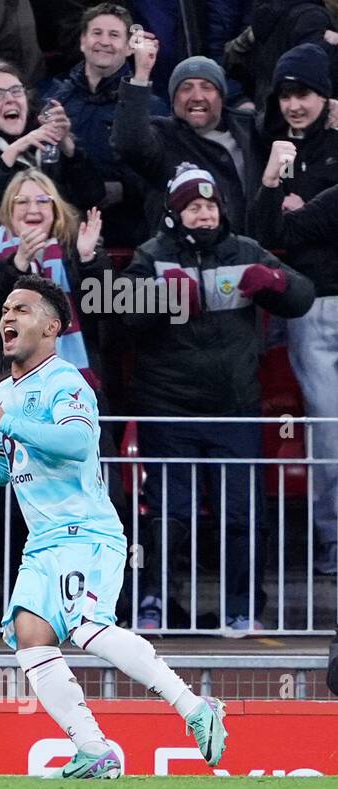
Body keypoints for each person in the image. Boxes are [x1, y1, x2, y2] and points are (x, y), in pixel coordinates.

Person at [0, 273, 230, 778]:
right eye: (5, 309)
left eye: (22, 309)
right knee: (31, 636)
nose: (8, 317)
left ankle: (195, 708)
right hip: (43, 543)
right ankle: (95, 752)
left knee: (90, 629)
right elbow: (2, 469)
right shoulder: (4, 390)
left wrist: (2, 418)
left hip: (87, 535)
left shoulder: (67, 382)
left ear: (51, 327)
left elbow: (76, 445)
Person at [121, 165, 315, 633]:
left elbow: (303, 294)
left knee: (242, 515)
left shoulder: (245, 250)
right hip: (168, 410)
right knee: (169, 515)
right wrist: (157, 298)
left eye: (209, 206)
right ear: (175, 213)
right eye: (193, 207)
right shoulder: (151, 255)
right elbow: (114, 309)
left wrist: (277, 282)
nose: (204, 215)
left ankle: (243, 608)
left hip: (235, 409)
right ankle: (154, 601)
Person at [247, 44, 338, 576]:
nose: (294, 103)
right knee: (327, 428)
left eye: (303, 92)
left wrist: (307, 212)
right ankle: (331, 538)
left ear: (326, 97)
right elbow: (265, 232)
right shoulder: (274, 150)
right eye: (286, 94)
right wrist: (280, 194)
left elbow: (301, 224)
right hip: (311, 304)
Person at [0, 170, 106, 392]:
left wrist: (89, 260)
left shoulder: (78, 249)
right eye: (22, 201)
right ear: (9, 211)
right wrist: (18, 262)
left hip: (78, 387)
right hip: (11, 385)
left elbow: (105, 310)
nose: (33, 209)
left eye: (42, 201)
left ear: (55, 210)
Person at [43, 3, 170, 246]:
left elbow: (158, 174)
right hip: (64, 232)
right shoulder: (55, 100)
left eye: (114, 35)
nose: (104, 42)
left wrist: (124, 190)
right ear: (83, 41)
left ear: (129, 46)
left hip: (128, 235)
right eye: (97, 33)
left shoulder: (152, 106)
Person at [112, 44, 262, 232]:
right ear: (173, 101)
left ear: (221, 98)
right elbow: (129, 142)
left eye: (207, 87)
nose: (197, 96)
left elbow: (289, 150)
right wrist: (141, 74)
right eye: (186, 88)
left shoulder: (251, 128)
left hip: (247, 254)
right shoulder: (162, 136)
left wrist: (288, 188)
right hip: (180, 257)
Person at [0, 60, 106, 233]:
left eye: (16, 91)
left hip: (62, 246)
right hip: (7, 253)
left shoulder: (52, 144)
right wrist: (13, 151)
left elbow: (93, 196)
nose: (10, 99)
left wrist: (69, 148)